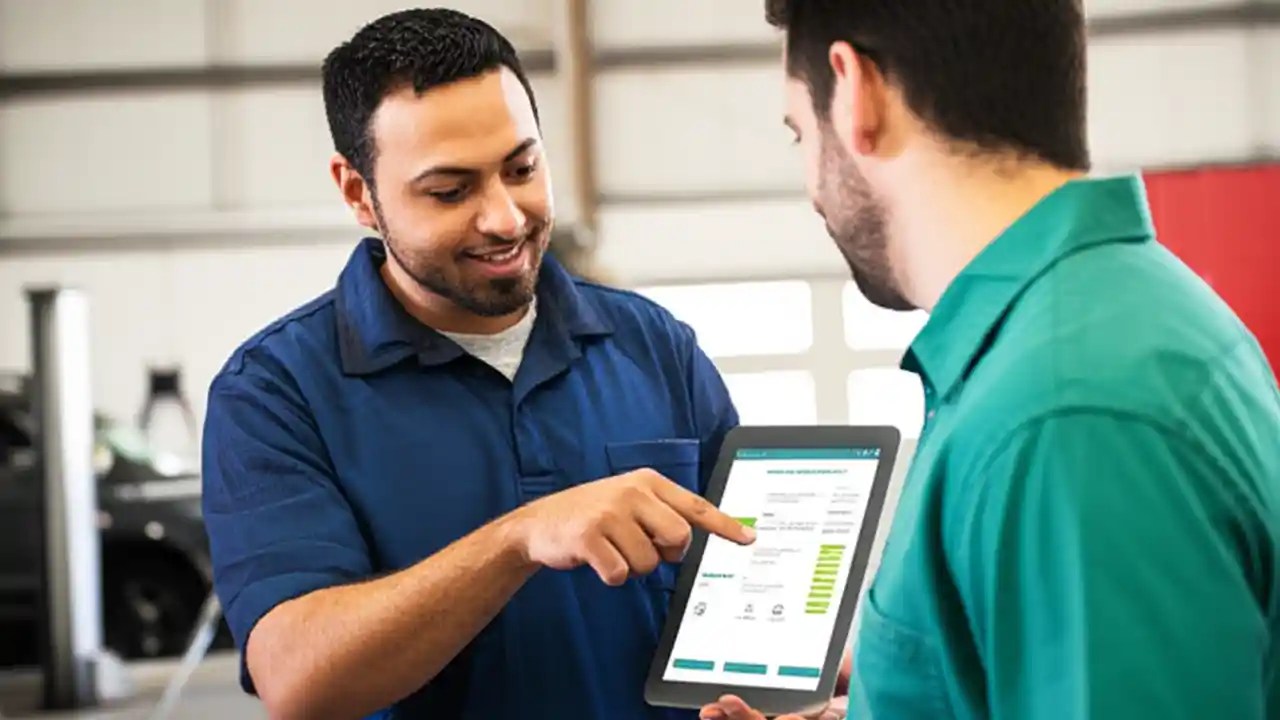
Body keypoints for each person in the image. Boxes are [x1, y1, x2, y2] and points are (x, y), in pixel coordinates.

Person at [703, 1, 1280, 719]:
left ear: (854, 92)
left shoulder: (1066, 412)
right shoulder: (1090, 332)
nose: (810, 186)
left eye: (799, 132)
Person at [200, 8, 756, 720]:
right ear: (357, 192)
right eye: (450, 191)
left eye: (522, 169)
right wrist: (519, 538)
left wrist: (788, 690)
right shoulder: (276, 393)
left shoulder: (653, 346)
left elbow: (742, 595)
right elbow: (298, 679)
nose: (505, 218)